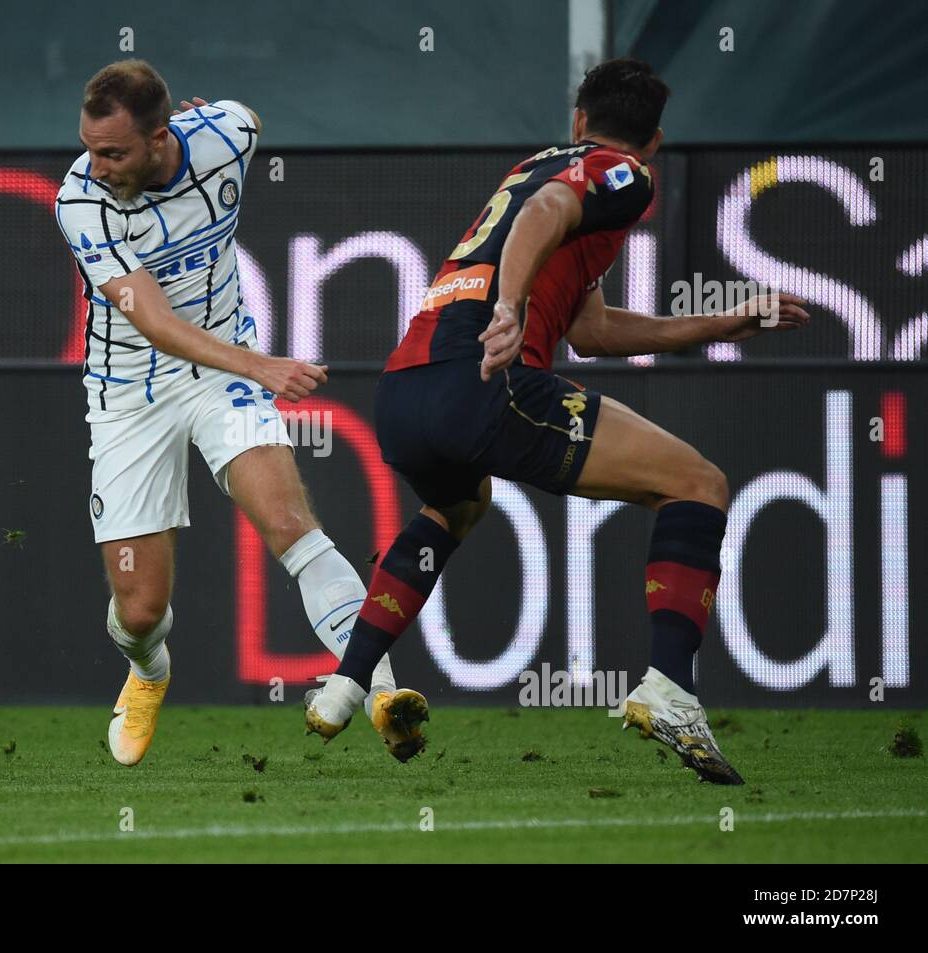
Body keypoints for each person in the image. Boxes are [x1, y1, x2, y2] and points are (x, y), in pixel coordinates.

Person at [304, 58, 809, 783]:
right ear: (655, 142)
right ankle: (670, 687)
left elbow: (594, 332)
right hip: (487, 378)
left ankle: (347, 684)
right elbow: (547, 212)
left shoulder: (541, 161)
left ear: (576, 121)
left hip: (406, 388)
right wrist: (509, 309)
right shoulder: (623, 174)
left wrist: (722, 324)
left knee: (455, 506)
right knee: (697, 483)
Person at [55, 59, 424, 766]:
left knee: (290, 523)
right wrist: (261, 364)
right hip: (129, 392)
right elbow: (156, 323)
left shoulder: (226, 137)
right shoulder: (81, 202)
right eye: (90, 147)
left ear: (162, 136)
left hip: (219, 378)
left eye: (114, 152)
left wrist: (243, 366)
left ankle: (377, 690)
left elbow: (245, 117)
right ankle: (149, 670)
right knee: (138, 610)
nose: (95, 165)